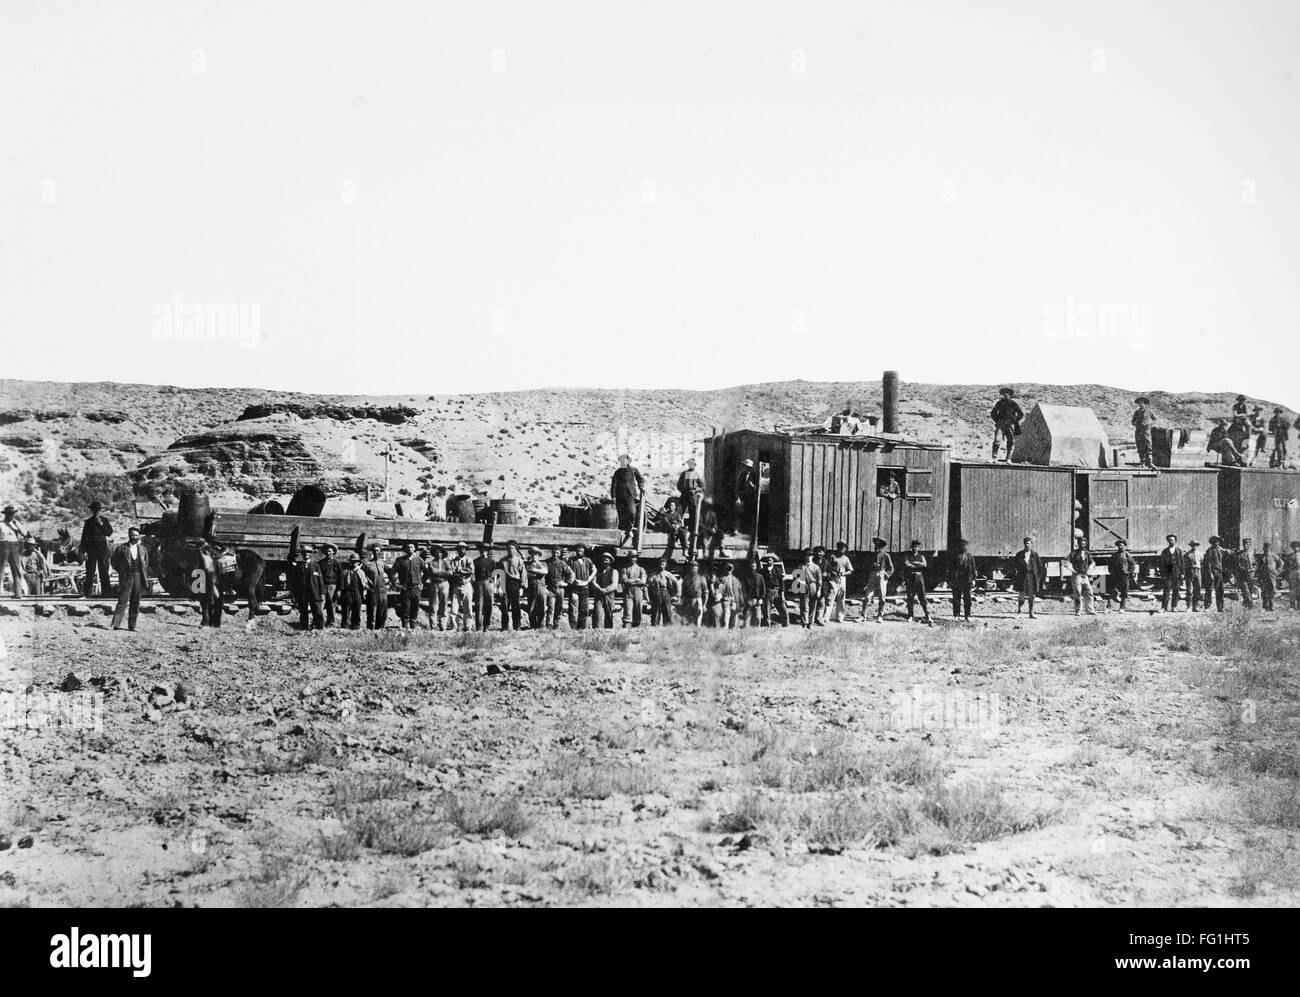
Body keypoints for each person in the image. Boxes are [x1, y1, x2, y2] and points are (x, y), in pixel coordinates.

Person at [110, 526, 151, 631]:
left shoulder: (143, 549)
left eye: (136, 535)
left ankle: (132, 626)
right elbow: (114, 562)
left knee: (135, 601)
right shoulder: (121, 548)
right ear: (129, 535)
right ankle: (115, 624)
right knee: (122, 600)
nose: (134, 537)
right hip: (126, 577)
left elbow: (145, 564)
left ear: (139, 537)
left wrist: (142, 576)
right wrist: (122, 572)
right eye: (132, 535)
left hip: (138, 577)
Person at [79, 500, 114, 597]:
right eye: (95, 510)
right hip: (91, 549)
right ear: (92, 511)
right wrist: (84, 551)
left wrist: (101, 524)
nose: (96, 512)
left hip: (102, 548)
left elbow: (109, 533)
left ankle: (106, 593)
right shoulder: (88, 522)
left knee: (104, 570)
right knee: (90, 571)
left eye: (98, 510)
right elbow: (84, 537)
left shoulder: (104, 520)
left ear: (100, 511)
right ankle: (87, 593)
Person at [611, 455, 646, 548]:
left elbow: (640, 479)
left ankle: (631, 528)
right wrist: (613, 496)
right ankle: (624, 531)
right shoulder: (617, 472)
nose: (624, 462)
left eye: (626, 460)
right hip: (620, 496)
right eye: (622, 461)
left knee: (632, 512)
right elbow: (613, 485)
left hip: (630, 495)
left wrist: (641, 487)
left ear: (628, 461)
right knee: (622, 514)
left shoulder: (634, 470)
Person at [676, 459, 706, 558]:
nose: (690, 465)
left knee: (694, 516)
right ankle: (677, 535)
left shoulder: (697, 474)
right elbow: (678, 485)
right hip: (684, 495)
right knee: (678, 514)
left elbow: (702, 486)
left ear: (694, 465)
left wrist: (695, 491)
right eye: (689, 464)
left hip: (693, 496)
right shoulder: (684, 474)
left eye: (692, 464)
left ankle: (692, 536)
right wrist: (683, 491)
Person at [0, 504, 31, 598]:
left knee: (16, 570)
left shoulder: (16, 524)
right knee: (0, 569)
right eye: (9, 513)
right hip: (3, 545)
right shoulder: (1, 524)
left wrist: (16, 523)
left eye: (12, 513)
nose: (11, 515)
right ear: (6, 514)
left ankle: (18, 593)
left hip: (14, 546)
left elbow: (25, 534)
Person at [391, 542, 424, 629]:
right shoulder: (400, 560)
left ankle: (413, 627)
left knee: (415, 608)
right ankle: (404, 627)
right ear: (405, 549)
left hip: (416, 588)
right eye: (408, 547)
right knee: (405, 608)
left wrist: (422, 583)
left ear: (415, 549)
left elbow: (426, 572)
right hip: (405, 589)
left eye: (412, 547)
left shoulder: (419, 560)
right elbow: (392, 573)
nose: (410, 548)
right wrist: (396, 585)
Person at [1013, 536, 1045, 619]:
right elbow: (1014, 565)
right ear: (1024, 544)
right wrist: (1017, 574)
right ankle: (1019, 611)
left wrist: (1038, 577)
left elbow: (1040, 567)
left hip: (1032, 576)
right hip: (1023, 576)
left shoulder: (1035, 555)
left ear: (1031, 545)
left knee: (1032, 595)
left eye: (1029, 543)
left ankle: (1031, 613)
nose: (1027, 545)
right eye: (1026, 543)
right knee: (1021, 594)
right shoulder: (1019, 554)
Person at [822, 541, 853, 623]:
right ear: (838, 547)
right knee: (830, 597)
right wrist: (832, 572)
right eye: (840, 547)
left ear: (845, 549)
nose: (842, 549)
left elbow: (850, 570)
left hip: (842, 579)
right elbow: (827, 566)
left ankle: (840, 617)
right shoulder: (832, 556)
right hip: (833, 579)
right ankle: (826, 617)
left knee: (841, 597)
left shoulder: (846, 558)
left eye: (843, 548)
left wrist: (843, 573)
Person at [902, 540, 931, 625]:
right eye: (914, 547)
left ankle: (927, 614)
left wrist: (914, 563)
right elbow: (907, 564)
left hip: (919, 577)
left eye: (917, 547)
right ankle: (910, 615)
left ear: (919, 548)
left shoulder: (921, 556)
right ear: (912, 547)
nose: (916, 548)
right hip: (910, 577)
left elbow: (924, 565)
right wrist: (918, 564)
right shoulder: (908, 556)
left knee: (922, 596)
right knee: (910, 597)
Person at [990, 387, 1024, 462]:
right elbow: (993, 413)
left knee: (1011, 441)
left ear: (1010, 395)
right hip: (1001, 424)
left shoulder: (1013, 404)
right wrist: (997, 421)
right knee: (997, 440)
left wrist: (1014, 420)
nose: (1005, 395)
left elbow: (1021, 414)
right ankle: (994, 458)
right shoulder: (999, 403)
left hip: (1010, 425)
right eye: (1004, 393)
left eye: (1007, 393)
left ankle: (1008, 458)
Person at [193, 539, 221, 627]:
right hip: (209, 577)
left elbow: (206, 567)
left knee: (207, 599)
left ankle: (206, 621)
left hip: (208, 578)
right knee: (210, 599)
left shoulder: (204, 554)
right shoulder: (209, 553)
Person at [791, 548, 821, 629]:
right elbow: (795, 577)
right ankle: (804, 623)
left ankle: (810, 624)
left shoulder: (816, 567)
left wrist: (819, 590)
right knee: (804, 606)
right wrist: (799, 581)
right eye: (807, 555)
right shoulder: (801, 566)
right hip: (803, 586)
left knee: (812, 606)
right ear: (805, 556)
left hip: (813, 586)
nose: (809, 557)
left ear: (813, 557)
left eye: (810, 555)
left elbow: (819, 580)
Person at [864, 538, 893, 623]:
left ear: (881, 547)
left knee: (882, 597)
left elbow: (891, 568)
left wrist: (886, 575)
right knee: (868, 595)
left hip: (882, 575)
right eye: (876, 546)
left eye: (879, 547)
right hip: (872, 575)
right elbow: (866, 567)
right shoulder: (871, 556)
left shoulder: (886, 556)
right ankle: (863, 615)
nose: (876, 548)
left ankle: (880, 615)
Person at [545, 546, 574, 629]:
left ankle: (557, 625)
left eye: (557, 553)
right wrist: (545, 586)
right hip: (550, 589)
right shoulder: (547, 562)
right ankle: (549, 625)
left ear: (560, 554)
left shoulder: (562, 563)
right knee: (551, 607)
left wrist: (566, 583)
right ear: (552, 553)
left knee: (559, 607)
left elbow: (571, 574)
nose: (555, 554)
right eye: (554, 553)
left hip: (560, 589)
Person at [498, 541, 525, 630]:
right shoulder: (502, 561)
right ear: (507, 549)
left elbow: (523, 574)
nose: (510, 550)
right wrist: (500, 587)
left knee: (516, 606)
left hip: (515, 584)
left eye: (513, 548)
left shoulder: (519, 560)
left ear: (516, 550)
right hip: (505, 583)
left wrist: (521, 587)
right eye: (509, 548)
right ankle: (505, 627)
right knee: (505, 606)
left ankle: (517, 626)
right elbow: (500, 575)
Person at [448, 542, 475, 631]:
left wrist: (460, 571)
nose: (462, 550)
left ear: (466, 550)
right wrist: (463, 571)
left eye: (463, 548)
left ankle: (467, 627)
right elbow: (452, 572)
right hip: (456, 585)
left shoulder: (469, 560)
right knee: (454, 607)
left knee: (467, 607)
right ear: (457, 550)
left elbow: (471, 571)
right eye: (460, 548)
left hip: (467, 585)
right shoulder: (453, 561)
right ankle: (454, 627)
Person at [424, 546, 452, 630]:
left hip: (444, 584)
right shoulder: (431, 563)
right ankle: (433, 625)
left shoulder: (446, 562)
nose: (438, 554)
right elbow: (431, 572)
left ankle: (442, 626)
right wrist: (444, 572)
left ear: (442, 554)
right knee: (433, 606)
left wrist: (437, 572)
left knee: (444, 605)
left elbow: (450, 573)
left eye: (440, 552)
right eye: (436, 552)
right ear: (434, 553)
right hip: (434, 584)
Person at [363, 543, 390, 630]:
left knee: (382, 612)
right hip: (372, 590)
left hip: (382, 590)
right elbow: (362, 576)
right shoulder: (368, 564)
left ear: (380, 552)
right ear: (372, 552)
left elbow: (391, 574)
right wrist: (366, 586)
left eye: (378, 550)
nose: (376, 552)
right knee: (371, 611)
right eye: (374, 550)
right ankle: (370, 630)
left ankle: (380, 629)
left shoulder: (383, 563)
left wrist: (389, 583)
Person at [568, 544, 595, 629]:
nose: (580, 552)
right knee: (574, 608)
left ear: (584, 552)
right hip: (575, 588)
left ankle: (582, 628)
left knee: (584, 608)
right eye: (578, 550)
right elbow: (567, 571)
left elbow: (594, 570)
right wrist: (574, 580)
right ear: (576, 551)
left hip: (585, 587)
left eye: (582, 550)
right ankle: (573, 628)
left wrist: (589, 579)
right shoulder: (571, 560)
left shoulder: (588, 560)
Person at [949, 538, 977, 621]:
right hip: (957, 580)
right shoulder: (955, 556)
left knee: (967, 599)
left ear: (967, 547)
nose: (963, 547)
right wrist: (950, 580)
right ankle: (956, 615)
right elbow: (950, 569)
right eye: (962, 545)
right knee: (956, 599)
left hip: (967, 580)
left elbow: (973, 568)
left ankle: (967, 616)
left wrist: (974, 579)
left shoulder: (969, 556)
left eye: (965, 545)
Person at [647, 557, 679, 626]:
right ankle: (654, 625)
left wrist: (676, 594)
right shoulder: (653, 575)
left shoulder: (668, 574)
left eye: (663, 564)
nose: (662, 566)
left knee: (667, 610)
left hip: (665, 592)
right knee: (656, 610)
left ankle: (667, 626)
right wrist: (649, 596)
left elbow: (676, 582)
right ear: (658, 565)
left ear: (665, 565)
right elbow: (648, 586)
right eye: (661, 564)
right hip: (656, 593)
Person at [472, 543, 497, 631]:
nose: (483, 551)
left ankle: (487, 626)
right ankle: (478, 627)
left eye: (485, 549)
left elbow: (496, 574)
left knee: (489, 604)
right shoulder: (475, 561)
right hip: (479, 583)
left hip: (489, 582)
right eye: (482, 549)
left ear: (488, 550)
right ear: (479, 550)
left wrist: (495, 585)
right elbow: (472, 574)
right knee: (479, 604)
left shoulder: (492, 561)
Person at [591, 552, 620, 629]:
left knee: (609, 612)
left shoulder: (614, 571)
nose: (604, 562)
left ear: (610, 561)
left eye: (606, 560)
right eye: (603, 560)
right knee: (598, 612)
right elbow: (593, 582)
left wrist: (605, 590)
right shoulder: (597, 571)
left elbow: (614, 585)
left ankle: (608, 628)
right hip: (599, 593)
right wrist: (600, 589)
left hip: (609, 594)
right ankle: (597, 628)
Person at [712, 559, 743, 628]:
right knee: (725, 619)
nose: (728, 569)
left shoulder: (736, 580)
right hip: (725, 601)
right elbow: (718, 590)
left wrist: (741, 603)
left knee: (734, 620)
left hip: (734, 601)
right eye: (727, 568)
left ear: (733, 569)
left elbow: (739, 592)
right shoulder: (721, 579)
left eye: (730, 568)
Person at [338, 553, 367, 630]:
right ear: (350, 562)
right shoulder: (345, 572)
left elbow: (364, 583)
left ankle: (356, 626)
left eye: (356, 561)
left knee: (357, 610)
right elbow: (341, 585)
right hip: (347, 593)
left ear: (358, 562)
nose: (355, 563)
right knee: (346, 610)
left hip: (358, 593)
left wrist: (364, 590)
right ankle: (345, 626)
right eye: (353, 561)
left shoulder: (361, 572)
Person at [1069, 541, 1097, 616]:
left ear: (1086, 545)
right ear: (1078, 544)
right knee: (1078, 593)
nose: (1082, 545)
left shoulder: (1087, 553)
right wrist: (1072, 570)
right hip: (1077, 575)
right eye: (1081, 544)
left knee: (1089, 592)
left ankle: (1090, 610)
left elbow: (1092, 562)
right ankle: (1078, 610)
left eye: (1084, 544)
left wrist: (1089, 570)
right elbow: (1065, 561)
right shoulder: (1074, 553)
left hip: (1085, 576)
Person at [1158, 534, 1185, 612]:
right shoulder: (1165, 551)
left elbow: (1182, 563)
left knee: (1176, 590)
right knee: (1166, 590)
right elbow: (1161, 563)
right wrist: (1163, 574)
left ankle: (1174, 606)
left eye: (1172, 540)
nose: (1171, 541)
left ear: (1175, 541)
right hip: (1168, 573)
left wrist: (1182, 573)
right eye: (1169, 540)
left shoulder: (1179, 551)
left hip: (1176, 572)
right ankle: (1164, 607)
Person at [761, 554, 789, 627]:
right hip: (768, 592)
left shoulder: (778, 570)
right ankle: (767, 625)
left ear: (773, 561)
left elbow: (781, 583)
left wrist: (782, 595)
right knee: (767, 610)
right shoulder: (763, 571)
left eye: (770, 560)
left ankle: (785, 625)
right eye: (767, 560)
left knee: (783, 609)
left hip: (777, 592)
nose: (768, 561)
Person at [1108, 539, 1135, 612]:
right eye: (1119, 545)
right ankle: (1109, 607)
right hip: (1116, 575)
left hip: (1124, 575)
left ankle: (1122, 607)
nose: (1120, 547)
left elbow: (1132, 565)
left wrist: (1129, 573)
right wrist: (1112, 572)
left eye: (1121, 545)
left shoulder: (1127, 555)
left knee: (1124, 591)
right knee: (1112, 590)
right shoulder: (1114, 555)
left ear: (1124, 546)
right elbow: (1110, 565)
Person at [620, 553, 647, 628]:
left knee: (638, 608)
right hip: (628, 591)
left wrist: (631, 581)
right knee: (628, 607)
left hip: (638, 591)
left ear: (636, 558)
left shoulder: (641, 569)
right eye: (631, 557)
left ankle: (637, 624)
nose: (633, 559)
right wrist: (637, 580)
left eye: (634, 557)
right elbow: (624, 580)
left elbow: (643, 581)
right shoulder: (625, 569)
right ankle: (627, 623)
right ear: (629, 558)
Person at [734, 459, 759, 535]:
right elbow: (738, 487)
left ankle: (750, 531)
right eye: (745, 467)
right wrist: (738, 498)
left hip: (751, 498)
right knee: (740, 512)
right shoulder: (742, 475)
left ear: (750, 468)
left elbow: (758, 487)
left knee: (751, 514)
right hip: (743, 497)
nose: (746, 468)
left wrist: (753, 486)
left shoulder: (754, 476)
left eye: (748, 467)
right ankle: (739, 529)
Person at [316, 544, 340, 627]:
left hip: (332, 586)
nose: (328, 552)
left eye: (330, 551)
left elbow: (340, 577)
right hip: (323, 585)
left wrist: (339, 589)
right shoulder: (322, 562)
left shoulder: (336, 562)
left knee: (331, 605)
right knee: (321, 604)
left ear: (333, 552)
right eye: (327, 551)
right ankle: (319, 622)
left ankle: (331, 622)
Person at [525, 547, 549, 629]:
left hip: (541, 587)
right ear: (530, 555)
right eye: (532, 554)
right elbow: (527, 574)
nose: (534, 556)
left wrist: (535, 568)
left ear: (539, 555)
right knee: (531, 607)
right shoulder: (527, 564)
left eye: (536, 554)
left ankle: (541, 625)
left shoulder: (543, 564)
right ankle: (533, 625)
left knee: (542, 607)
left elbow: (545, 571)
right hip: (531, 586)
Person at [660, 498, 689, 563]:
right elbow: (666, 522)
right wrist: (672, 525)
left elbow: (679, 522)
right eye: (670, 505)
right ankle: (675, 541)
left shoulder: (677, 514)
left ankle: (684, 549)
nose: (671, 507)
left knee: (683, 531)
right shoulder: (666, 514)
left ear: (675, 507)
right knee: (673, 530)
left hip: (676, 529)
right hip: (669, 529)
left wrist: (677, 525)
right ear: (668, 506)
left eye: (673, 505)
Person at [680, 559, 708, 627]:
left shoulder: (701, 578)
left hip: (697, 599)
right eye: (692, 567)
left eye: (695, 568)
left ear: (697, 568)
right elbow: (683, 591)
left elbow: (706, 592)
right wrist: (683, 601)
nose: (693, 569)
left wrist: (704, 604)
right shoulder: (686, 578)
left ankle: (697, 631)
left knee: (698, 617)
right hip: (688, 600)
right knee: (688, 618)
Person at [1203, 536, 1228, 612]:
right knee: (1209, 589)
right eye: (1215, 542)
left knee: (1220, 590)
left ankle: (1220, 607)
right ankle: (1207, 606)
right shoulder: (1210, 551)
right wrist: (1210, 574)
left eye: (1218, 541)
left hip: (1219, 572)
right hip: (1212, 572)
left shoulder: (1219, 550)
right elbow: (1208, 563)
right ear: (1212, 543)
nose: (1217, 543)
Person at [1131, 397, 1157, 469]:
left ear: (1145, 404)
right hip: (1139, 432)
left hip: (1146, 432)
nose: (1141, 404)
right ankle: (1142, 463)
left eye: (1142, 403)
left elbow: (1154, 419)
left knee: (1148, 446)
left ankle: (1150, 463)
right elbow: (1132, 421)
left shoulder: (1149, 411)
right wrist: (1135, 424)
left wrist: (1149, 424)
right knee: (1140, 446)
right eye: (1139, 403)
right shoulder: (1136, 412)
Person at [742, 554, 767, 627]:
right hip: (749, 600)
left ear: (756, 567)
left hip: (757, 600)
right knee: (747, 618)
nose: (753, 568)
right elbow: (743, 590)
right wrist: (746, 600)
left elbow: (763, 589)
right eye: (751, 567)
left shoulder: (760, 577)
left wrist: (761, 599)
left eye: (754, 567)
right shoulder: (746, 577)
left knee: (757, 618)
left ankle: (757, 632)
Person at [1258, 542, 1283, 612]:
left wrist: (1277, 571)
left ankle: (1272, 606)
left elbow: (1281, 563)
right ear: (1264, 548)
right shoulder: (1262, 557)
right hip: (1264, 576)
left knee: (1272, 590)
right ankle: (1265, 607)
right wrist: (1259, 576)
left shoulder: (1273, 556)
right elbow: (1259, 567)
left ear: (1270, 548)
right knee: (1264, 591)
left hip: (1272, 576)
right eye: (1265, 547)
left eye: (1268, 547)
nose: (1266, 549)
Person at [1234, 538, 1256, 609]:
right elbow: (1239, 565)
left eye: (1248, 544)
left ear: (1250, 545)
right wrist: (1244, 569)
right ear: (1243, 545)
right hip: (1243, 575)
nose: (1246, 546)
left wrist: (1254, 568)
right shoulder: (1240, 554)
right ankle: (1251, 604)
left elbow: (1255, 563)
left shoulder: (1251, 554)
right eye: (1245, 544)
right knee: (1245, 590)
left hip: (1251, 575)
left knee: (1249, 590)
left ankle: (1246, 604)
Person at [1183, 539, 1203, 613]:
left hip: (1198, 571)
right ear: (1191, 546)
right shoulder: (1188, 554)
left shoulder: (1200, 554)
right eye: (1193, 545)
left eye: (1196, 545)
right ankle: (1189, 606)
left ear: (1197, 546)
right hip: (1190, 571)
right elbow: (1184, 564)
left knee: (1198, 589)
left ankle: (1196, 606)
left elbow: (1202, 562)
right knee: (1189, 590)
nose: (1194, 546)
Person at [1286, 541, 1300, 611]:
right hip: (1293, 573)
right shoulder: (1291, 555)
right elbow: (1288, 565)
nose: (1295, 548)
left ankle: (1299, 606)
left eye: (1297, 546)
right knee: (1292, 590)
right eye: (1294, 546)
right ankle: (1292, 606)